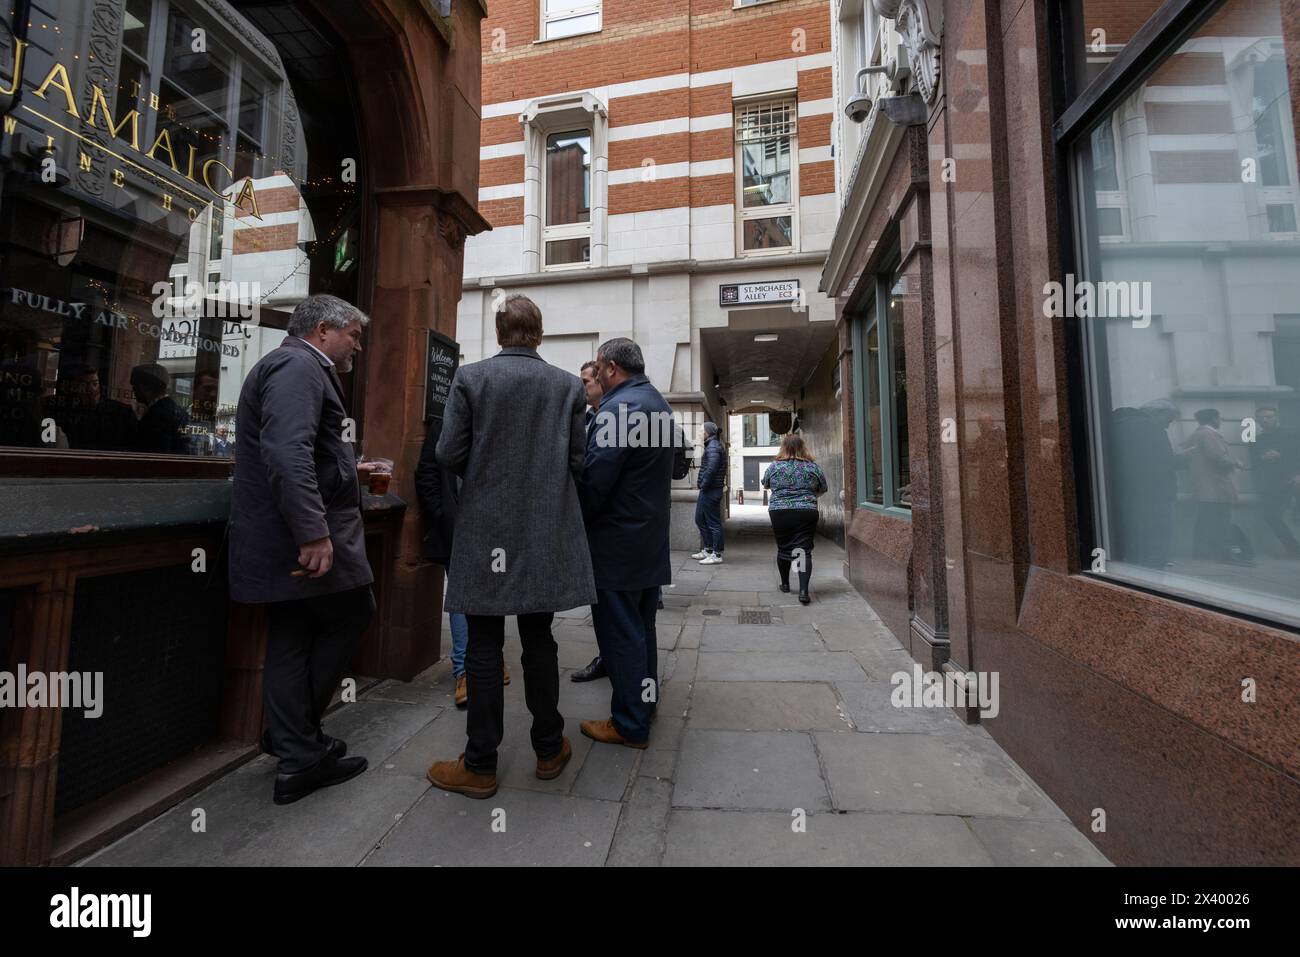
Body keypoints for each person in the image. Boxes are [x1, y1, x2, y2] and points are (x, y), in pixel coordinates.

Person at [426, 294, 596, 799]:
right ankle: (548, 748)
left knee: (482, 644)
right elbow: (579, 459)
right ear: (539, 334)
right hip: (543, 528)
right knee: (539, 639)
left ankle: (480, 764)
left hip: (485, 529)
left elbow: (447, 451)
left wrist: (485, 477)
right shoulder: (568, 386)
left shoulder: (471, 378)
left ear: (499, 332)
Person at [228, 294, 374, 805]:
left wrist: (351, 472)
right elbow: (286, 451)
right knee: (352, 611)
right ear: (324, 332)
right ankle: (295, 745)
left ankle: (295, 748)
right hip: (297, 537)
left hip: (284, 534)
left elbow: (304, 451)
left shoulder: (296, 364)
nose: (357, 345)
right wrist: (314, 532)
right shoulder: (298, 365)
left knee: (294, 631)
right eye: (353, 334)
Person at [579, 337, 675, 749]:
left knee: (620, 634)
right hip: (648, 539)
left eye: (598, 368)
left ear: (612, 367)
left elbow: (595, 480)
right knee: (643, 629)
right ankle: (644, 705)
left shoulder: (619, 408)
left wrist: (573, 520)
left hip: (616, 543)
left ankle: (629, 723)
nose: (596, 375)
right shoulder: (659, 404)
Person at [414, 415, 510, 709]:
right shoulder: (444, 425)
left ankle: (492, 660)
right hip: (456, 528)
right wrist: (443, 516)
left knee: (494, 595)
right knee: (461, 596)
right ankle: (465, 673)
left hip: (495, 528)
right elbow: (427, 473)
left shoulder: (500, 421)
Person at [1109, 399, 1182, 568]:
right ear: (1158, 413)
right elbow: (1160, 463)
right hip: (1156, 492)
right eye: (1168, 420)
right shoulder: (1151, 428)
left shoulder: (1118, 424)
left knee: (1136, 534)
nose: (1167, 426)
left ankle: (1134, 565)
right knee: (1157, 535)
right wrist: (1183, 460)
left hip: (1127, 491)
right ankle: (1153, 571)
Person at [572, 359, 608, 684]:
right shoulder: (584, 418)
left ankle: (613, 660)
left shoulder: (613, 418)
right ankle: (606, 655)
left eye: (586, 381)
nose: (582, 386)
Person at [761, 434, 828, 604]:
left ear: (783, 447)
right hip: (806, 511)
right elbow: (823, 488)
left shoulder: (775, 467)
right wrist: (808, 497)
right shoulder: (812, 467)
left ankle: (785, 584)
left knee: (783, 547)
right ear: (803, 447)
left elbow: (766, 484)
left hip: (779, 511)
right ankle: (803, 591)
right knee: (803, 549)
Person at [1183, 408, 1252, 567]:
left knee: (1205, 520)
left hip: (1205, 486)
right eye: (1220, 417)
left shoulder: (1198, 434)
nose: (1221, 420)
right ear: (1214, 418)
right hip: (1216, 486)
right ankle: (1223, 553)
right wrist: (1237, 463)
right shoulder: (1209, 434)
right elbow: (1219, 458)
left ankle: (1202, 553)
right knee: (1222, 521)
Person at [1250, 405, 1300, 558]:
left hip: (1295, 477)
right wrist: (1261, 458)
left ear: (1276, 417)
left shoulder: (1291, 433)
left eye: (1269, 417)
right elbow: (1254, 463)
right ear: (1257, 420)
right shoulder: (1257, 439)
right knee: (1270, 515)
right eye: (1262, 418)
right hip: (1274, 481)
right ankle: (1294, 548)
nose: (1266, 420)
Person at [131, 363, 189, 454]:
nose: (133, 390)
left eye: (135, 386)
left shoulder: (156, 415)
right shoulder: (178, 411)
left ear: (144, 387)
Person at [693, 420, 727, 564]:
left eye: (701, 430)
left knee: (713, 523)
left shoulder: (713, 446)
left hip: (711, 490)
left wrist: (703, 484)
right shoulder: (711, 445)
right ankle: (707, 549)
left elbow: (711, 469)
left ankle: (717, 554)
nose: (700, 433)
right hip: (707, 489)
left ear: (707, 432)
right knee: (700, 519)